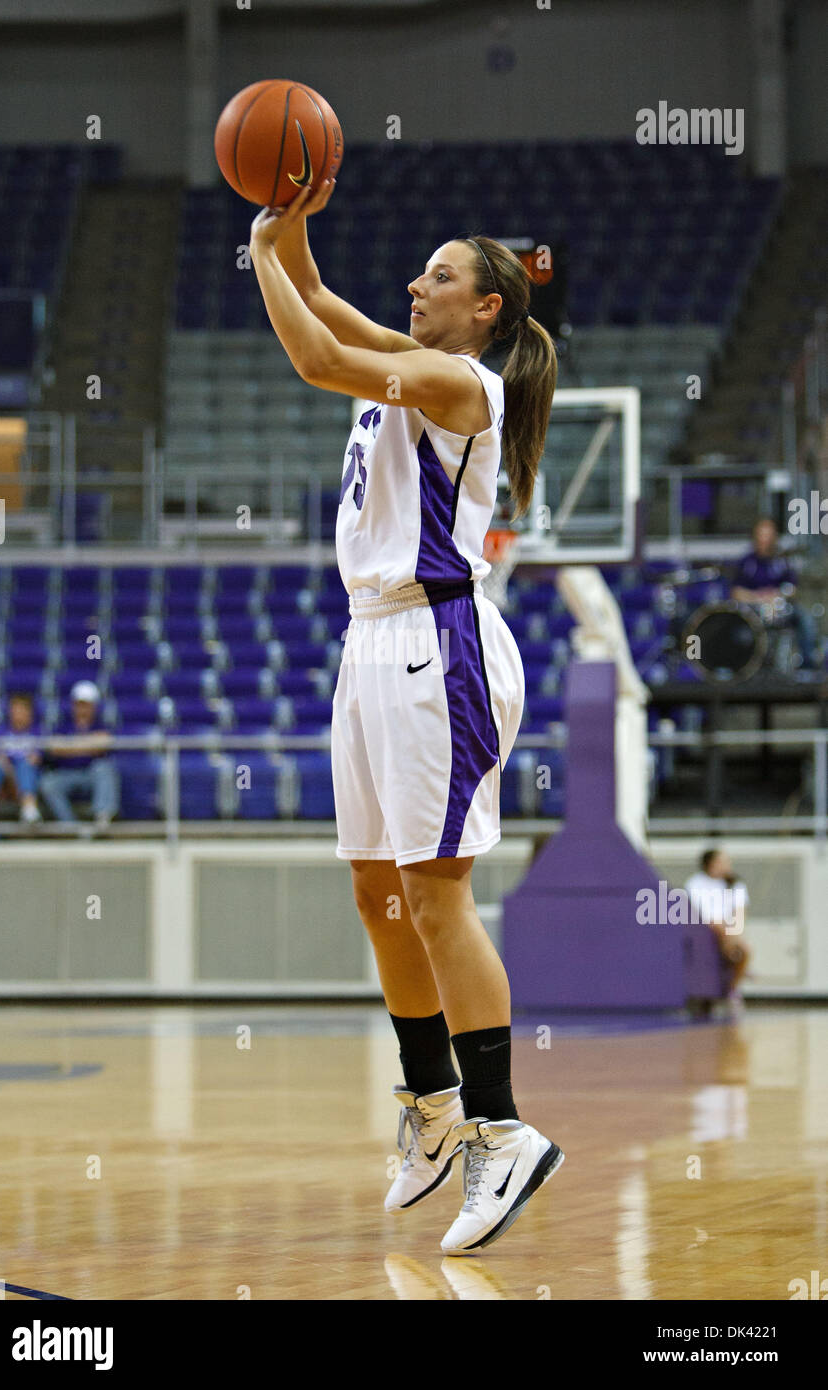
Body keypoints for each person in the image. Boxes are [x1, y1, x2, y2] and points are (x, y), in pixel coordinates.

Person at [249, 178, 562, 1255]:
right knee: (376, 891)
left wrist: (256, 246)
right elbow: (324, 303)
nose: (417, 285)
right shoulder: (409, 358)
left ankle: (501, 1127)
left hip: (440, 641)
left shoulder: (456, 382)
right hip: (370, 638)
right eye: (422, 272)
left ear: (487, 309)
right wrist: (286, 218)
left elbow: (316, 357)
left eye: (441, 275)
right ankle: (430, 1106)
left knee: (435, 896)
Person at [731, 517, 817, 669]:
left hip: (780, 609)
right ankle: (740, 666)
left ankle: (807, 666)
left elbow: (792, 589)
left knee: (806, 618)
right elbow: (736, 592)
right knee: (736, 628)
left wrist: (776, 595)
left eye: (768, 535)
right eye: (761, 535)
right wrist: (757, 597)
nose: (765, 540)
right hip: (753, 611)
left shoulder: (781, 561)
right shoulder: (747, 562)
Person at [39, 681, 119, 830]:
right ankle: (70, 827)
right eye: (79, 704)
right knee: (48, 783)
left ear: (94, 706)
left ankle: (102, 818)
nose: (82, 709)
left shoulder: (100, 725)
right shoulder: (64, 726)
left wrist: (69, 746)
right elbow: (53, 747)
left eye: (86, 705)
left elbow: (104, 743)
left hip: (90, 774)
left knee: (104, 768)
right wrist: (89, 745)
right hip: (66, 773)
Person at [685, 848, 752, 1015]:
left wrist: (735, 930)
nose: (728, 865)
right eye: (723, 861)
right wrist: (727, 930)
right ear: (710, 864)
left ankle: (731, 989)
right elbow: (705, 915)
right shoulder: (695, 883)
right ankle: (733, 958)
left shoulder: (736, 883)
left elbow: (740, 912)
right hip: (704, 930)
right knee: (737, 947)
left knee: (744, 950)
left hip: (730, 931)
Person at [0, 691, 42, 825]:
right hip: (5, 773)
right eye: (15, 710)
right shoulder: (2, 732)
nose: (18, 714)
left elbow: (36, 758)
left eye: (22, 710)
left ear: (29, 713)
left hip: (28, 774)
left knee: (25, 764)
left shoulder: (36, 732)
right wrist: (7, 765)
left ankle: (29, 809)